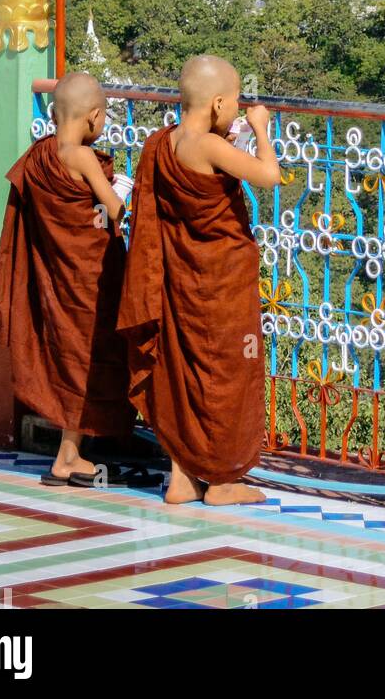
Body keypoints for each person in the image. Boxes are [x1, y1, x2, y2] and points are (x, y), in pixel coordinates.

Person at [117, 55, 280, 505]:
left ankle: (183, 477)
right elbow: (269, 176)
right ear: (218, 103)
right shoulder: (209, 147)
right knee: (225, 373)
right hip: (221, 283)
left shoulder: (160, 143)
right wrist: (261, 128)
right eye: (236, 103)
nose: (238, 110)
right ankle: (222, 479)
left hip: (179, 280)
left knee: (181, 369)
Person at [0, 71, 132, 486]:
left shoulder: (39, 156)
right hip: (89, 278)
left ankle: (68, 452)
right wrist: (123, 189)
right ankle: (67, 455)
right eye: (104, 116)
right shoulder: (84, 157)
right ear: (93, 117)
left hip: (57, 275)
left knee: (71, 354)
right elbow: (112, 209)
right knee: (89, 355)